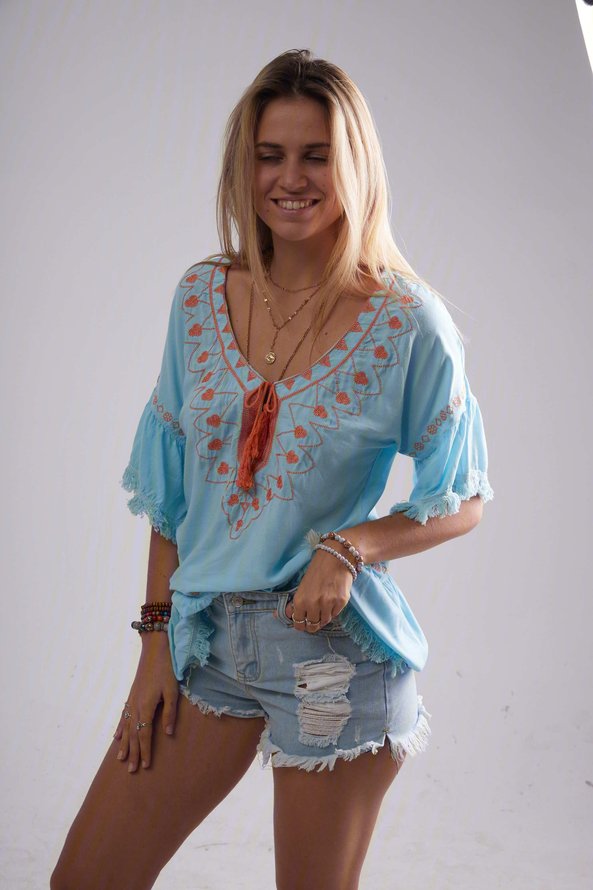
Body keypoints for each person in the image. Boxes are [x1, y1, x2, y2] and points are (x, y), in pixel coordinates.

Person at [50, 48, 494, 890]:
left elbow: (462, 496)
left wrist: (349, 546)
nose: (290, 178)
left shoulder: (407, 321)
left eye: (316, 155)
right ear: (243, 167)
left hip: (334, 660)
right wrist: (153, 651)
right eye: (270, 155)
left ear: (353, 167)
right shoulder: (199, 296)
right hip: (208, 647)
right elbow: (170, 498)